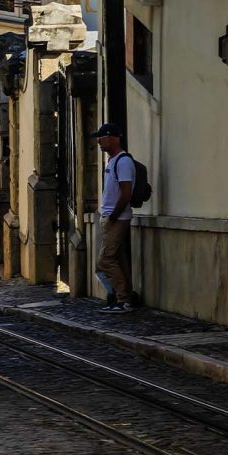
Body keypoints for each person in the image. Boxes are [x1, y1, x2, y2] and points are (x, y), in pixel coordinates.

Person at [93, 123, 135, 314]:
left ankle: (123, 299)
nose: (99, 140)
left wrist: (113, 216)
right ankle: (125, 296)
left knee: (105, 260)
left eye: (103, 137)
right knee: (118, 258)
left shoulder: (123, 162)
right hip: (111, 217)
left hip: (117, 218)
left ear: (114, 138)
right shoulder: (112, 161)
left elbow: (126, 193)